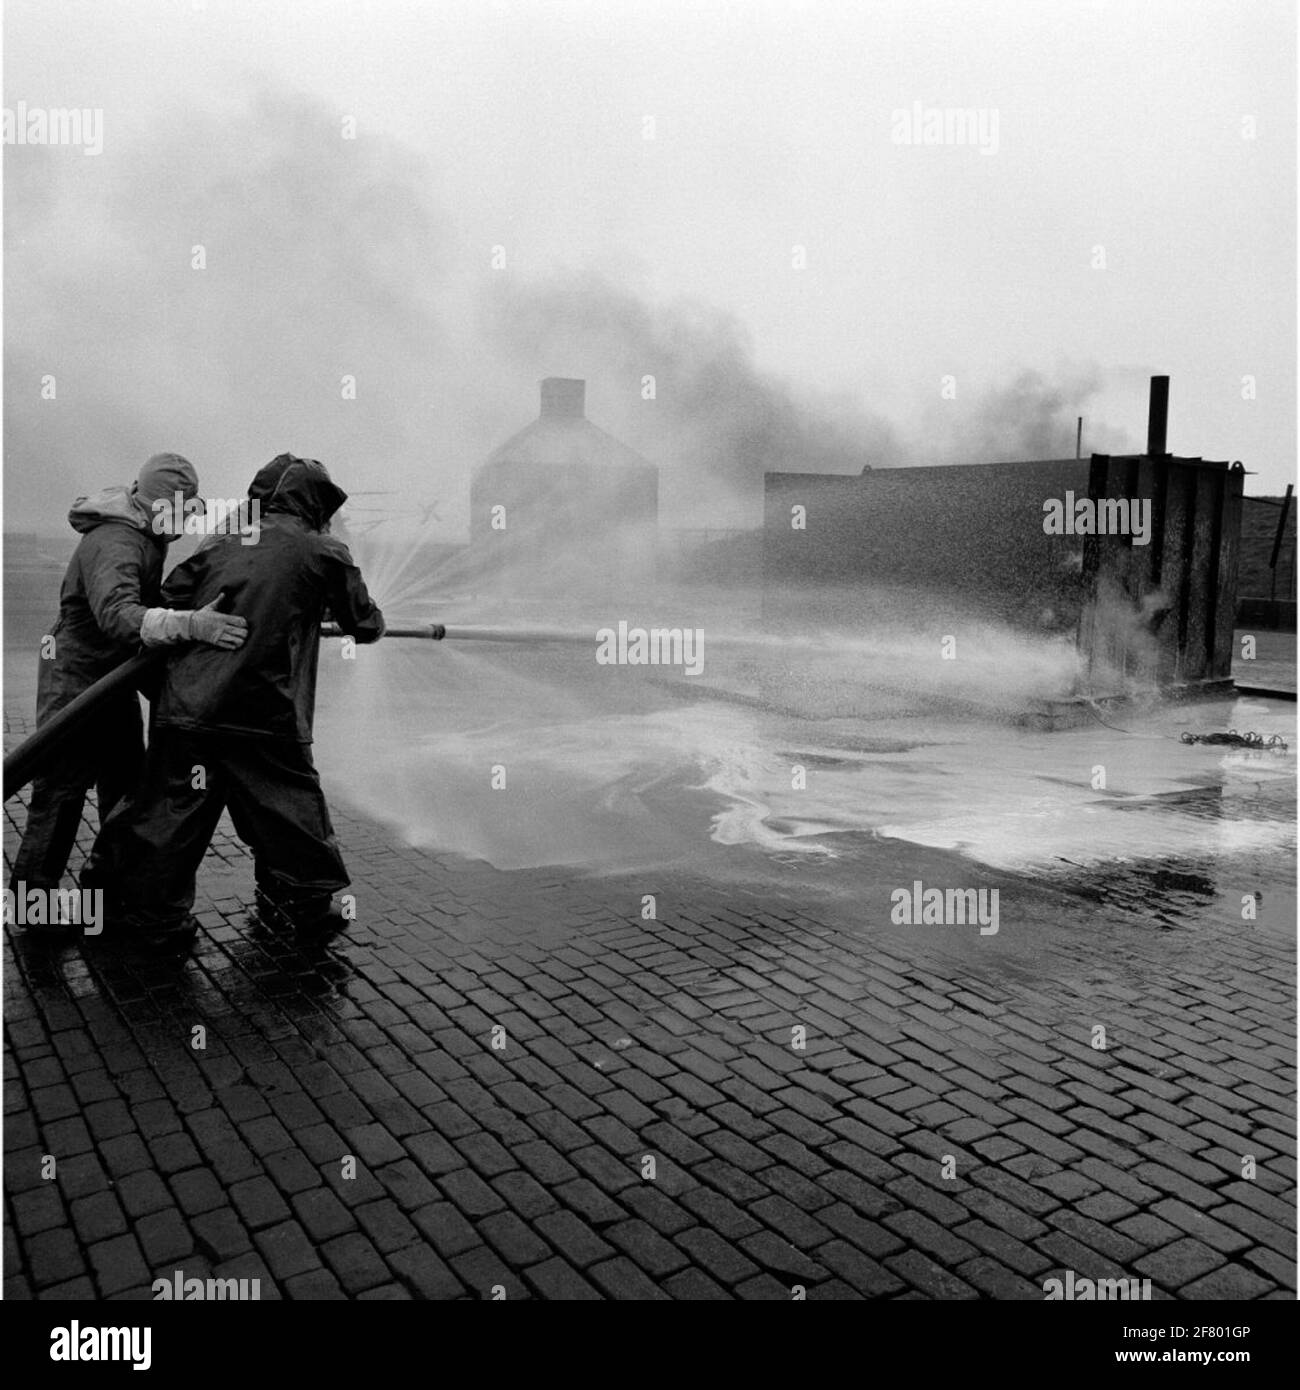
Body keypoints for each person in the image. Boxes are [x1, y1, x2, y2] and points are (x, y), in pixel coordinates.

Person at [92, 453, 385, 952]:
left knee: (168, 814)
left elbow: (171, 598)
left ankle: (143, 916)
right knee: (292, 812)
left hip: (186, 707)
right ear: (315, 503)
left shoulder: (225, 542)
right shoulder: (323, 551)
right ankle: (310, 910)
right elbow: (367, 624)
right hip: (264, 712)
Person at [9, 453, 247, 933]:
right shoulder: (117, 541)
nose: (181, 525)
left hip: (110, 677)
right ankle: (33, 906)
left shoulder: (144, 533)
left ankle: (112, 889)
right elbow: (119, 616)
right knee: (62, 790)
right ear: (156, 506)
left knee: (125, 779)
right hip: (75, 677)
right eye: (178, 514)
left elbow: (141, 609)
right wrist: (191, 624)